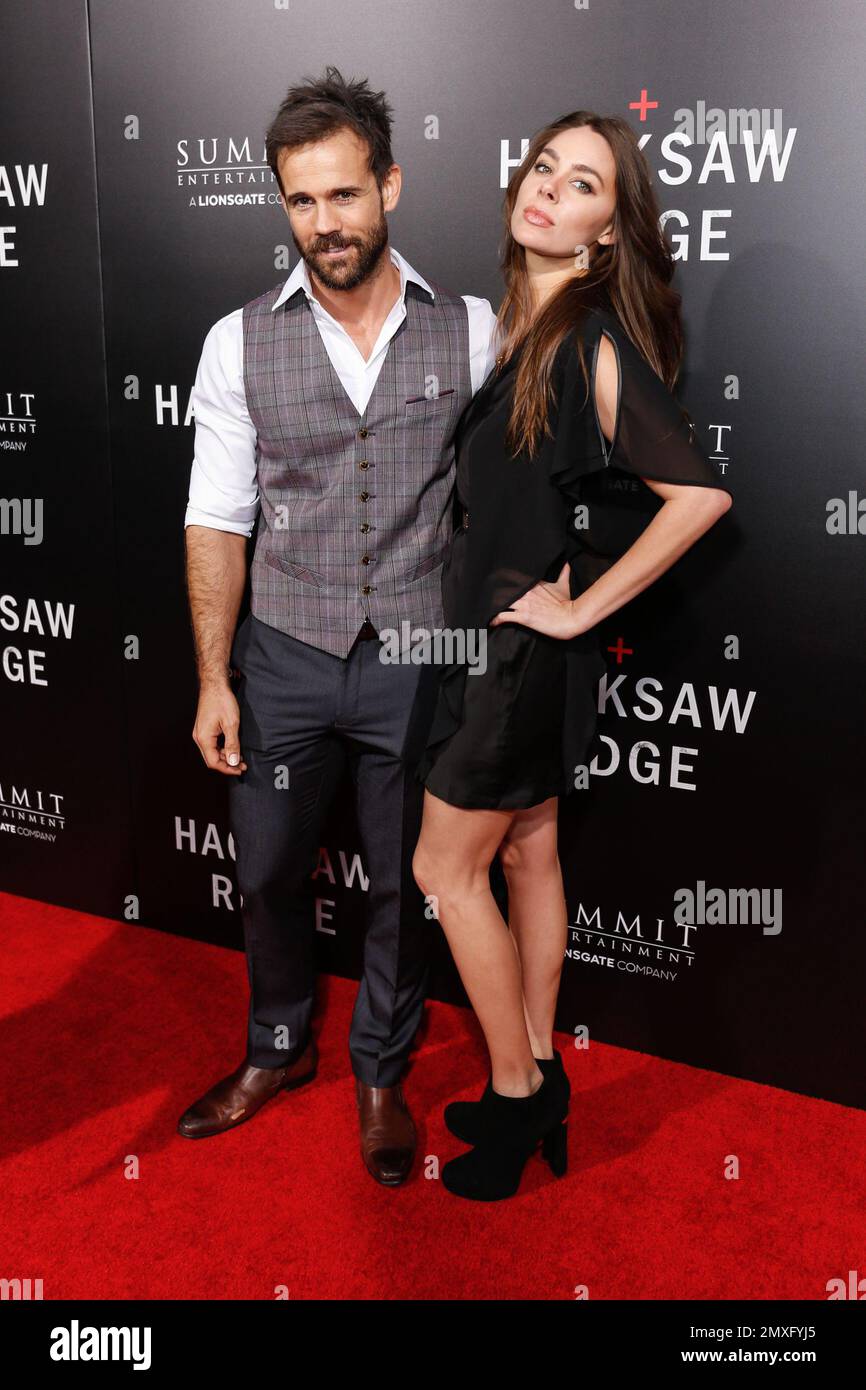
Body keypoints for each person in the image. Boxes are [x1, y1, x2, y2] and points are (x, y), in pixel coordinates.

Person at [178, 66, 497, 1186]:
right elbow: (216, 520)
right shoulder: (237, 342)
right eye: (303, 201)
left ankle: (380, 1069)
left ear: (390, 186)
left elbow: (510, 492)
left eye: (345, 196)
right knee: (264, 866)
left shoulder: (469, 331)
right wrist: (216, 677)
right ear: (283, 205)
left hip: (417, 660)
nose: (326, 224)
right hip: (282, 659)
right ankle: (277, 1045)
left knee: (400, 880)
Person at [412, 110, 734, 1201]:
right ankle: (541, 1065)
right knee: (526, 857)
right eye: (541, 165)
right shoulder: (528, 325)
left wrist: (580, 606)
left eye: (582, 183)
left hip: (514, 662)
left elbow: (696, 494)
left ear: (606, 233)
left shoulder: (588, 339)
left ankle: (512, 1097)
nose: (546, 187)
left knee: (441, 869)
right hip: (505, 656)